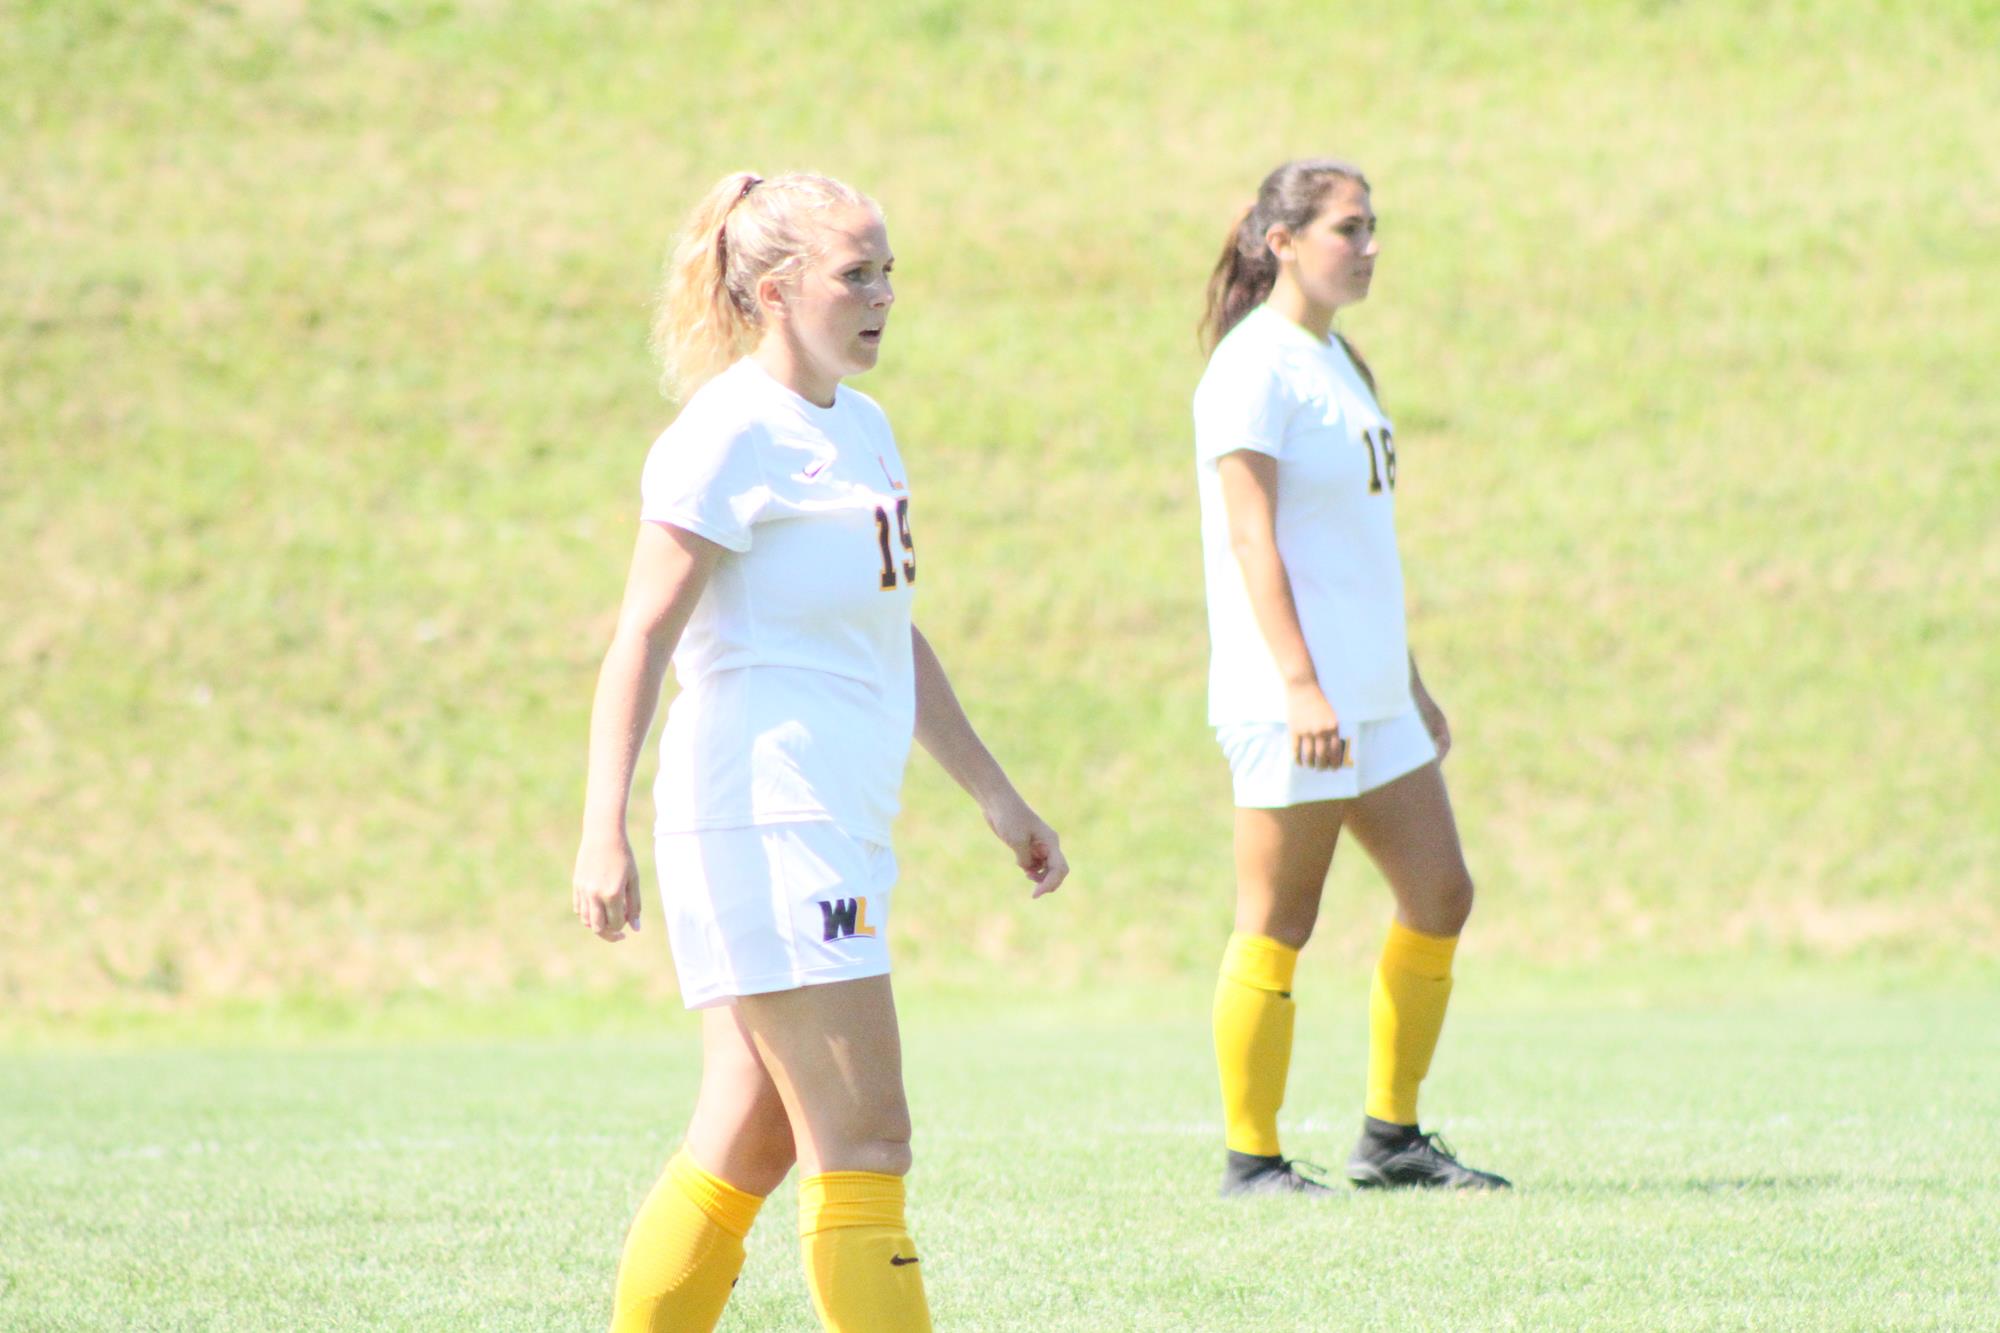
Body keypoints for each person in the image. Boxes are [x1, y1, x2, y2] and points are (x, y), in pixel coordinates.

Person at [572, 169, 1069, 1332]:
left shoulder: (864, 427)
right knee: (865, 1138)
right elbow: (639, 637)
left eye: (889, 270)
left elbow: (888, 632)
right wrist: (601, 828)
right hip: (767, 821)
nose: (883, 294)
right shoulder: (725, 435)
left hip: (830, 818)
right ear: (776, 287)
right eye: (858, 274)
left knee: (747, 1135)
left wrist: (995, 794)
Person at [1192, 158, 1508, 1195]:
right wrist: (1297, 685)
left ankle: (1391, 1139)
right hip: (1293, 698)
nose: (1367, 247)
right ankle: (1251, 1159)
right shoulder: (1252, 367)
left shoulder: (1338, 362)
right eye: (1346, 228)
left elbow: (1358, 544)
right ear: (1278, 240)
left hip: (1371, 698)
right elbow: (1251, 542)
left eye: (1372, 227)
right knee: (1278, 921)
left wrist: (1403, 678)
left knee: (1439, 893)